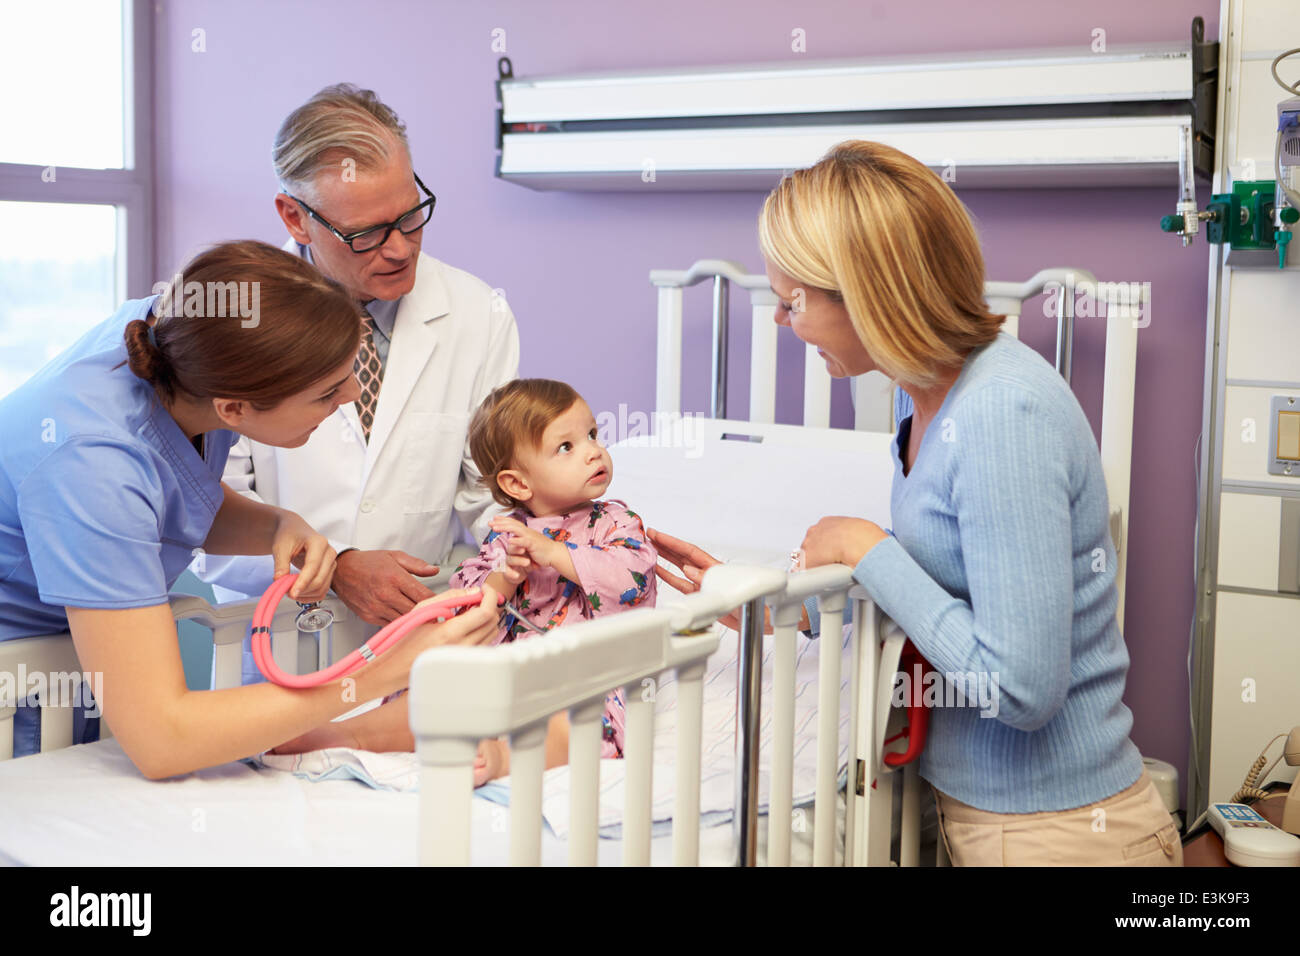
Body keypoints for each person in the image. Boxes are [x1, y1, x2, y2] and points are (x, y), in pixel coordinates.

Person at [651, 140, 1181, 867]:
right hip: (990, 820)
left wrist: (870, 551)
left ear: (867, 292)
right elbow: (948, 587)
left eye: (793, 301)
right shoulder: (923, 391)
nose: (781, 321)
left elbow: (1022, 690)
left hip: (1060, 834)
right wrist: (768, 596)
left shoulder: (1001, 415)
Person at [0, 240, 500, 777]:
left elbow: (166, 492)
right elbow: (163, 742)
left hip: (65, 661)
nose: (353, 394)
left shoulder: (180, 339)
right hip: (20, 670)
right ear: (233, 409)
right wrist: (378, 670)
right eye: (327, 391)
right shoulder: (91, 464)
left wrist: (276, 525)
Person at [197, 84, 520, 679]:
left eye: (409, 217)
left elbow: (490, 493)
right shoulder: (232, 320)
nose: (400, 249)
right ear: (295, 217)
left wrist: (561, 543)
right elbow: (203, 515)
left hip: (422, 642)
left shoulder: (479, 313)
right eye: (367, 232)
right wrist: (337, 567)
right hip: (280, 643)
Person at [275, 379, 657, 786]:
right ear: (517, 485)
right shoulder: (506, 534)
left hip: (577, 674)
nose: (593, 451)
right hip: (498, 668)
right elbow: (473, 601)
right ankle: (350, 732)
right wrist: (507, 576)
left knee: (581, 722)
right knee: (430, 695)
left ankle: (502, 757)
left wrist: (554, 554)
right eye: (567, 447)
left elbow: (633, 579)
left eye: (593, 435)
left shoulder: (615, 522)